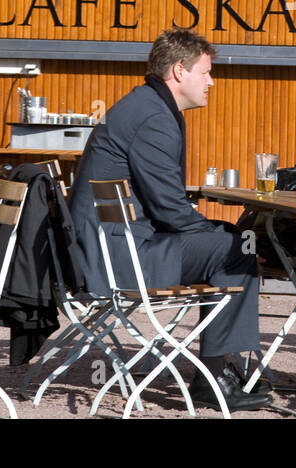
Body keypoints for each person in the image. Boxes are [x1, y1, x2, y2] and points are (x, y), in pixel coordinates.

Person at [68, 28, 270, 412]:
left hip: (108, 245)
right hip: (116, 257)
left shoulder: (145, 104)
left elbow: (165, 205)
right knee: (234, 249)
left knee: (232, 243)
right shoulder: (154, 117)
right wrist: (227, 233)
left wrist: (222, 232)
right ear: (179, 71)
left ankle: (219, 372)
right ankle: (215, 379)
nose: (211, 81)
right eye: (206, 71)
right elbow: (170, 209)